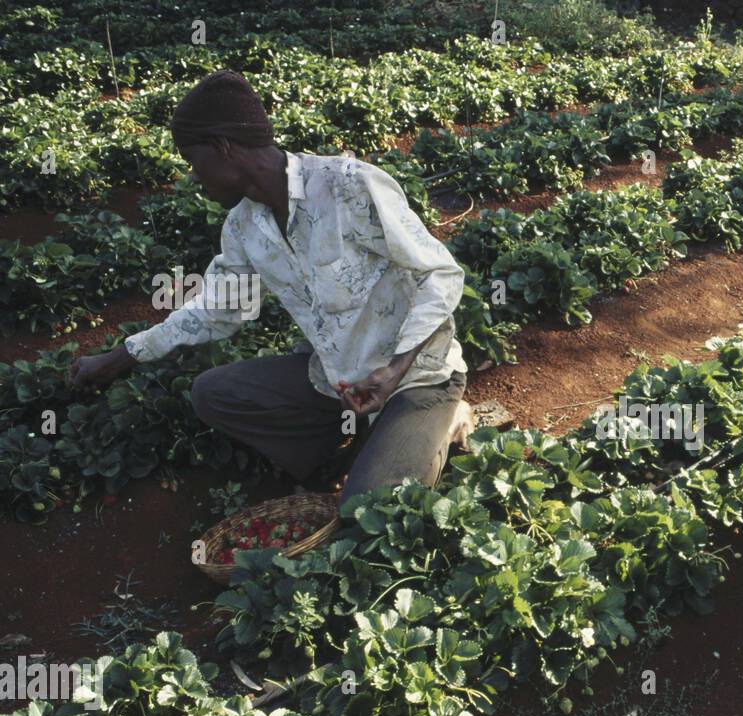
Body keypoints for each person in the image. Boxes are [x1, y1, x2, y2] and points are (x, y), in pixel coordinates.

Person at [69, 70, 472, 505]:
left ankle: (439, 423)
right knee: (214, 393)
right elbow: (215, 310)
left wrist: (393, 369)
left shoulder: (348, 186)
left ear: (223, 147)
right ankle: (339, 455)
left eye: (193, 160)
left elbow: (441, 275)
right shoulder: (244, 227)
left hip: (416, 377)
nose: (193, 177)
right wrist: (118, 358)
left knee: (372, 510)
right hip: (339, 384)